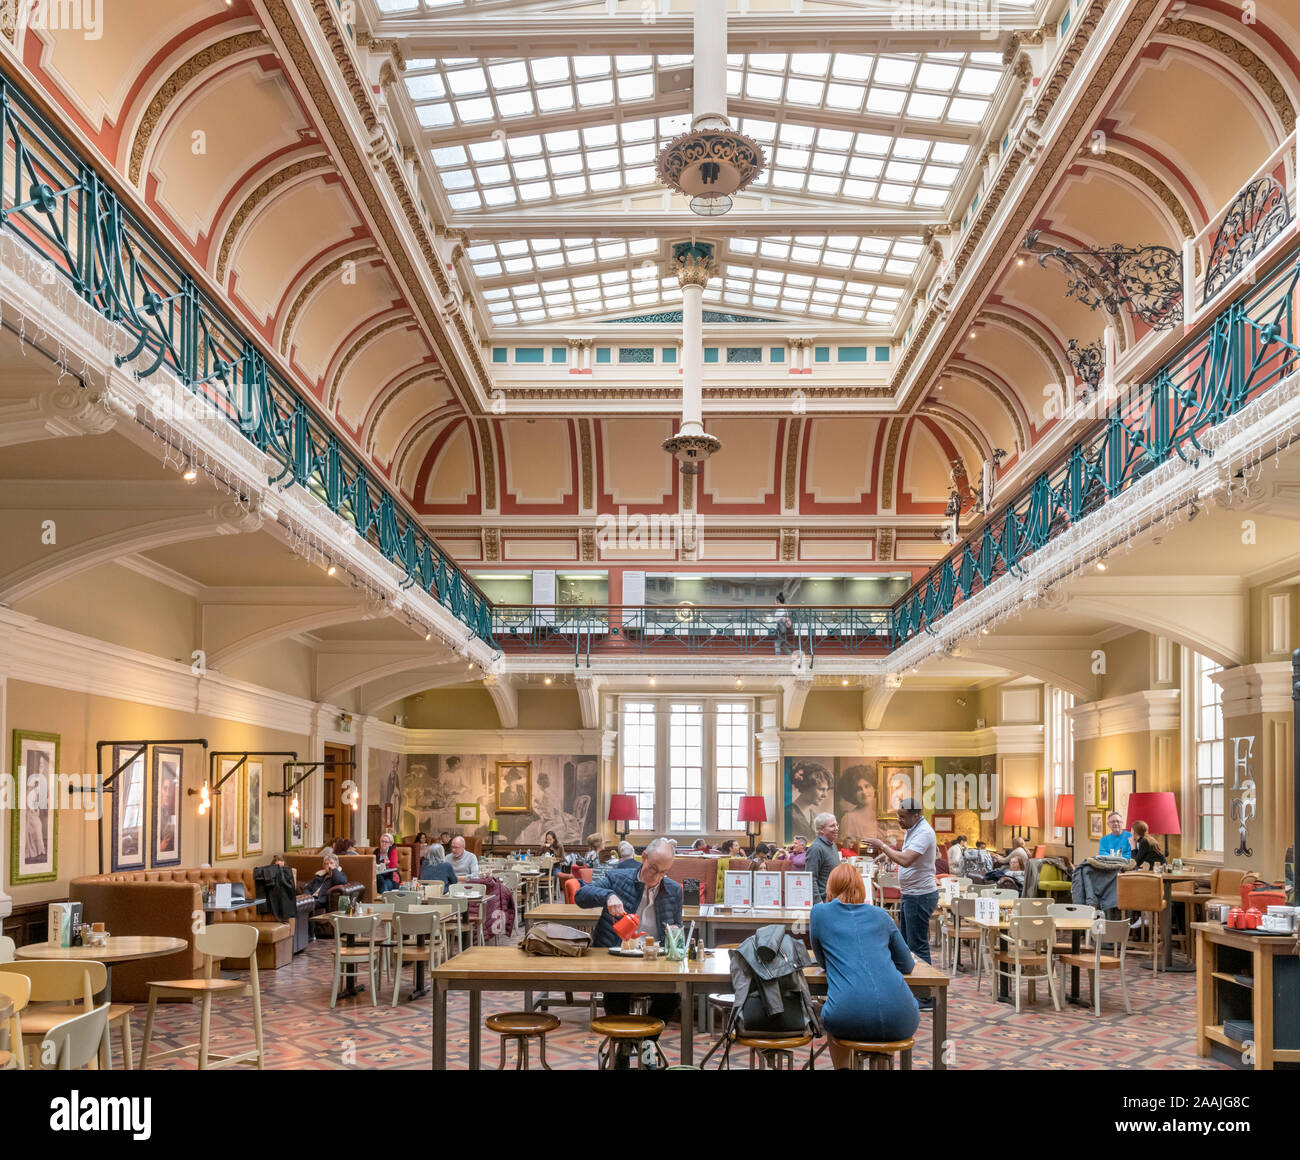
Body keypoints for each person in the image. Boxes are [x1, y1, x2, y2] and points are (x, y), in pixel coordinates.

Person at [576, 837, 683, 1068]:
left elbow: (678, 932)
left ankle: (647, 1043)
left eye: (664, 872)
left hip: (655, 961)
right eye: (653, 869)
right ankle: (623, 1047)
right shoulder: (616, 878)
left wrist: (676, 934)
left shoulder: (673, 890)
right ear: (643, 858)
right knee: (616, 993)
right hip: (616, 960)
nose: (656, 877)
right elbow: (580, 896)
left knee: (674, 994)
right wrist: (607, 896)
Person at [810, 864, 919, 1069]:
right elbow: (907, 963)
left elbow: (823, 961)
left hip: (846, 1013)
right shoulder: (881, 915)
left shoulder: (819, 913)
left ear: (830, 888)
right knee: (884, 1024)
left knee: (835, 1014)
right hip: (902, 1014)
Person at [865, 798, 938, 993]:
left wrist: (883, 846)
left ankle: (925, 995)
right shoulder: (913, 830)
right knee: (907, 945)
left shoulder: (924, 832)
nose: (899, 820)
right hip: (911, 894)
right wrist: (889, 854)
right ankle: (911, 990)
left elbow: (906, 860)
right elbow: (907, 855)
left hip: (920, 895)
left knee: (918, 946)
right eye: (898, 816)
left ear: (916, 816)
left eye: (902, 817)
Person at [788, 762, 833, 843]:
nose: (825, 795)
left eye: (827, 790)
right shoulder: (788, 814)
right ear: (807, 786)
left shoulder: (814, 816)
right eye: (821, 789)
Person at [839, 765, 881, 843]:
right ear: (853, 793)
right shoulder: (849, 818)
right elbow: (847, 849)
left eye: (867, 786)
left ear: (874, 788)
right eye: (859, 789)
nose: (864, 792)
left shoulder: (880, 817)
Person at [806, 812, 842, 903]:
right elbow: (811, 878)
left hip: (835, 899)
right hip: (824, 901)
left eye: (837, 825)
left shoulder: (833, 845)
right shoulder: (815, 848)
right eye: (832, 826)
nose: (836, 828)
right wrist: (818, 902)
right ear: (821, 829)